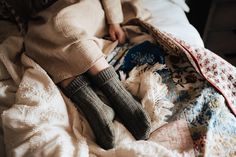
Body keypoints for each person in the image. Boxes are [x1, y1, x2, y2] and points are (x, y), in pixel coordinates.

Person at [7, 0, 151, 149]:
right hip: (42, 19)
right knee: (34, 41)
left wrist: (114, 21)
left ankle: (116, 91)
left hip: (80, 6)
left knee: (61, 25)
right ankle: (89, 100)